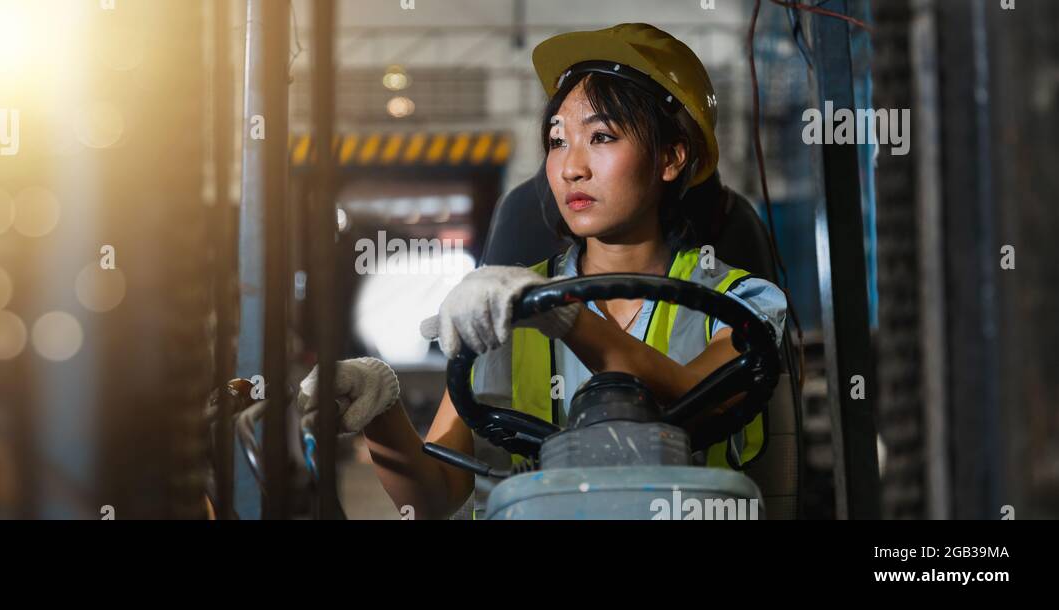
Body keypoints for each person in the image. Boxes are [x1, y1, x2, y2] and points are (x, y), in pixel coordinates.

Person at [295, 24, 787, 520]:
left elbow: (705, 401)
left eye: (601, 136)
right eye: (557, 141)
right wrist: (379, 410)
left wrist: (565, 314)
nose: (571, 167)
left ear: (671, 157)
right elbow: (432, 498)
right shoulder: (506, 304)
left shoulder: (744, 302)